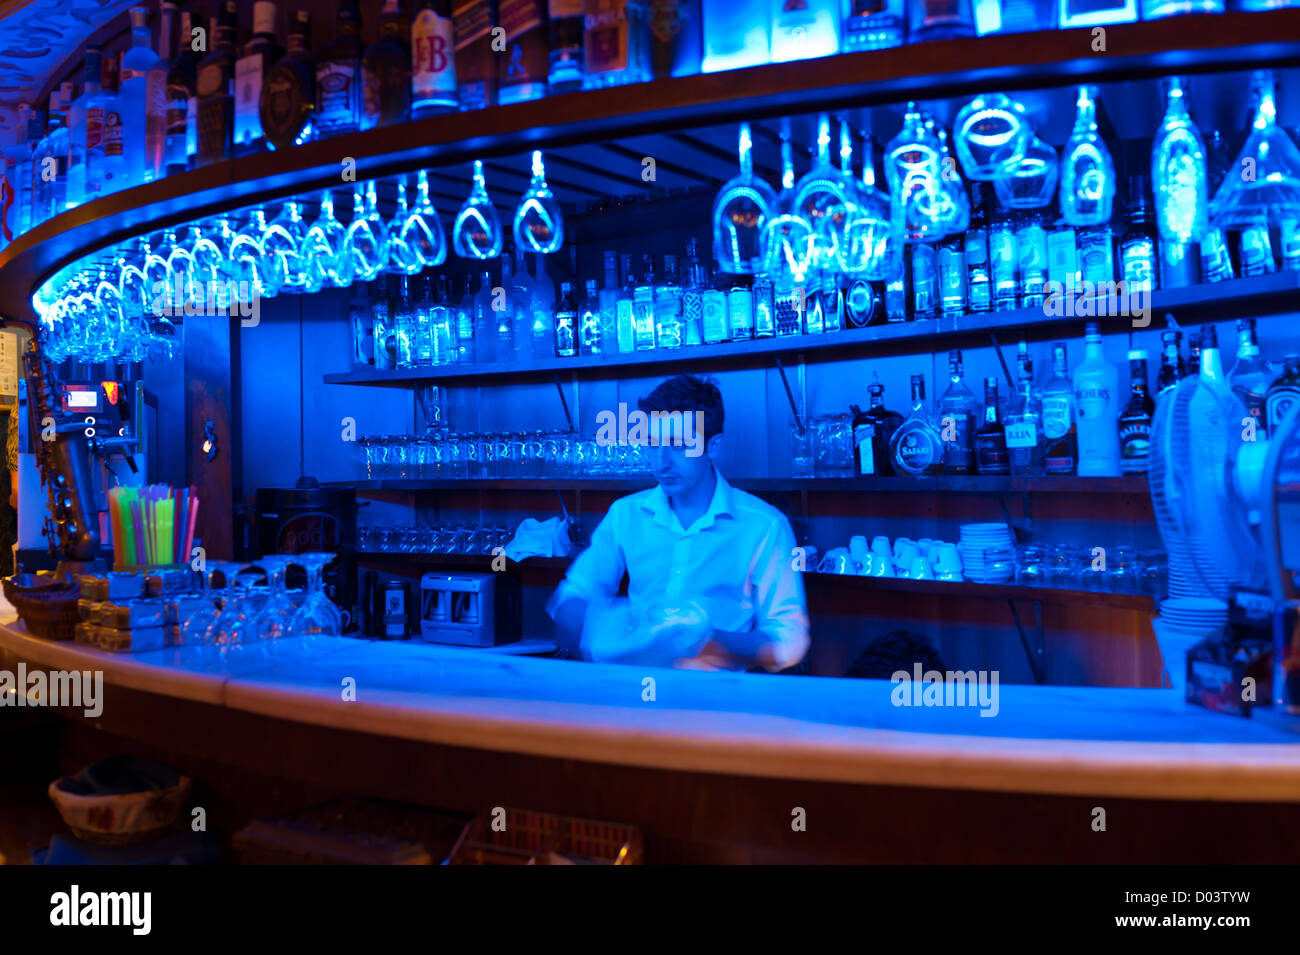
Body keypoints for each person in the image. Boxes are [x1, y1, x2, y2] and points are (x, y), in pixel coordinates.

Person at [548, 374, 809, 671]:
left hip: (716, 704)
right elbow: (575, 594)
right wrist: (606, 632)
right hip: (632, 696)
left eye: (678, 444)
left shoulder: (764, 525)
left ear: (713, 446)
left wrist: (710, 640)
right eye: (652, 443)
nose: (662, 462)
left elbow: (789, 640)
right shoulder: (625, 514)